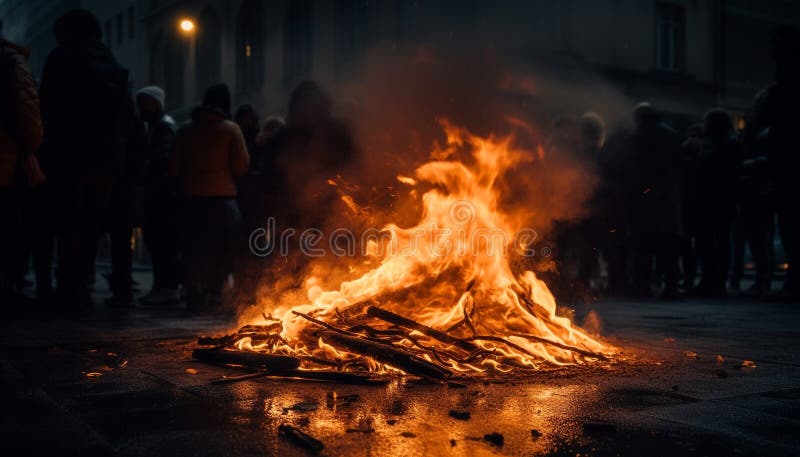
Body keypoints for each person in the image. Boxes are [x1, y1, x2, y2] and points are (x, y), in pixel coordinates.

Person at [38, 10, 136, 309]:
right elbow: (127, 120)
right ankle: (82, 282)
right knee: (91, 226)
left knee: (66, 223)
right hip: (106, 162)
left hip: (67, 157)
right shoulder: (115, 66)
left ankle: (70, 287)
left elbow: (48, 110)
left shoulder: (61, 59)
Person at [169, 83, 249, 309]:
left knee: (193, 248)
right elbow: (242, 166)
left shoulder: (185, 131)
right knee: (221, 249)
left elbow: (172, 168)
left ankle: (194, 289)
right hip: (222, 199)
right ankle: (216, 292)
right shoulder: (231, 130)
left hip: (190, 199)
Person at [0, 19, 44, 305]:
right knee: (8, 226)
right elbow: (27, 111)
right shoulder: (10, 62)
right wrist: (31, 147)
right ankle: (7, 286)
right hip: (5, 159)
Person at [627, 103, 683, 299]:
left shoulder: (641, 136)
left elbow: (635, 167)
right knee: (668, 246)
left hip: (647, 199)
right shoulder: (672, 135)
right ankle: (671, 286)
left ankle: (642, 286)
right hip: (668, 198)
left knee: (644, 246)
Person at [691, 110, 741, 297]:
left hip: (717, 201)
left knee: (717, 242)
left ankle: (716, 282)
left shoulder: (727, 145)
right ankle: (709, 280)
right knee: (708, 243)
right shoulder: (718, 144)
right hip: (712, 201)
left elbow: (719, 171)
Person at [136, 86, 179, 305]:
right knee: (157, 242)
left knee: (163, 243)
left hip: (162, 195)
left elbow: (164, 161)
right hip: (157, 193)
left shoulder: (164, 127)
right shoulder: (156, 126)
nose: (140, 108)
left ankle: (167, 287)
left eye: (144, 103)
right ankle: (163, 286)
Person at [680, 124, 703, 291]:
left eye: (696, 136)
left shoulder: (706, 158)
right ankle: (689, 278)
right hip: (688, 205)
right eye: (690, 135)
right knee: (686, 245)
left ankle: (695, 278)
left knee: (701, 244)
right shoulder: (686, 159)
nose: (692, 139)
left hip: (701, 206)